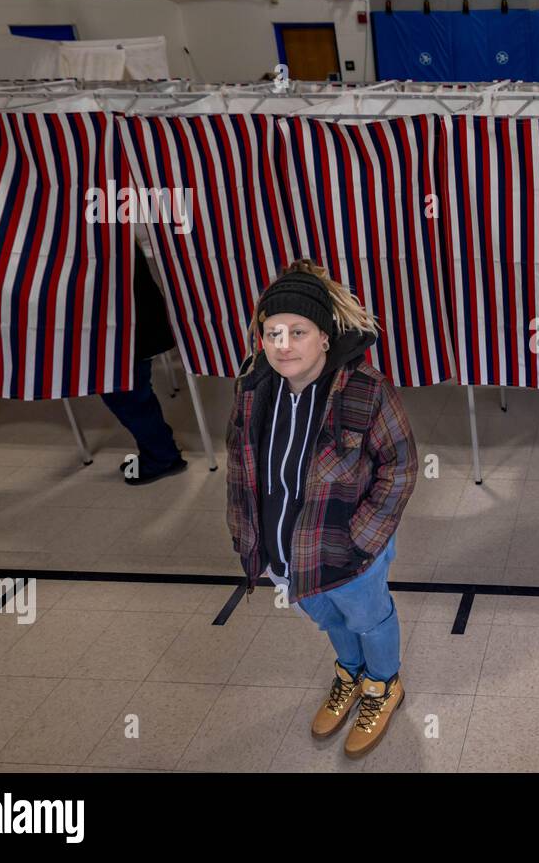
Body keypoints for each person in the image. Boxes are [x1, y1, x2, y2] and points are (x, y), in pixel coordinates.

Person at [226, 259, 418, 758]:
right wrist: (248, 535)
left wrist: (363, 537)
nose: (283, 344)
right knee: (326, 617)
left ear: (325, 336)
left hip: (350, 547)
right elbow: (241, 467)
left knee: (367, 618)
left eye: (297, 331)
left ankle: (382, 684)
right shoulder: (253, 387)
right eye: (272, 332)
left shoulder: (365, 390)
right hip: (285, 549)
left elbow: (400, 468)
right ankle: (349, 673)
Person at [100, 244, 187, 485]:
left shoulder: (92, 231)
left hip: (125, 322)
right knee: (131, 391)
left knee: (124, 393)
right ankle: (157, 450)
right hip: (134, 317)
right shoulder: (107, 222)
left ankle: (161, 456)